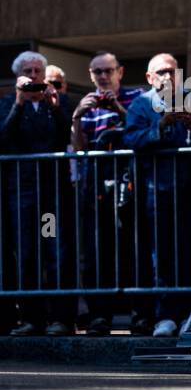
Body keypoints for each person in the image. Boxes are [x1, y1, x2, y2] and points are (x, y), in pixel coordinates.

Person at [125, 53, 191, 337]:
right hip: (156, 190)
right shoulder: (141, 104)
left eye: (172, 71)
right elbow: (130, 139)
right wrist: (161, 125)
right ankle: (165, 315)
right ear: (150, 78)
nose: (168, 76)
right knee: (161, 253)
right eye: (161, 72)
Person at [0, 51, 76, 335]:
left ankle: (61, 318)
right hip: (21, 193)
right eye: (28, 71)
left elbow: (66, 137)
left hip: (51, 195)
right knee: (27, 253)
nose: (34, 76)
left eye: (37, 71)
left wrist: (55, 107)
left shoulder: (57, 102)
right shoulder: (8, 103)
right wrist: (19, 103)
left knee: (54, 250)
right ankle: (32, 318)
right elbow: (3, 138)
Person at [71, 51, 142, 335]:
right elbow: (78, 148)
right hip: (96, 186)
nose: (103, 77)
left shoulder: (137, 98)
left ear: (120, 72)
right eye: (97, 72)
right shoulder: (87, 104)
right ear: (91, 75)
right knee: (96, 251)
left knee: (133, 249)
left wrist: (118, 109)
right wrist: (77, 117)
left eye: (108, 71)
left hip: (130, 182)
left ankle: (139, 315)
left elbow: (139, 130)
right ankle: (99, 315)